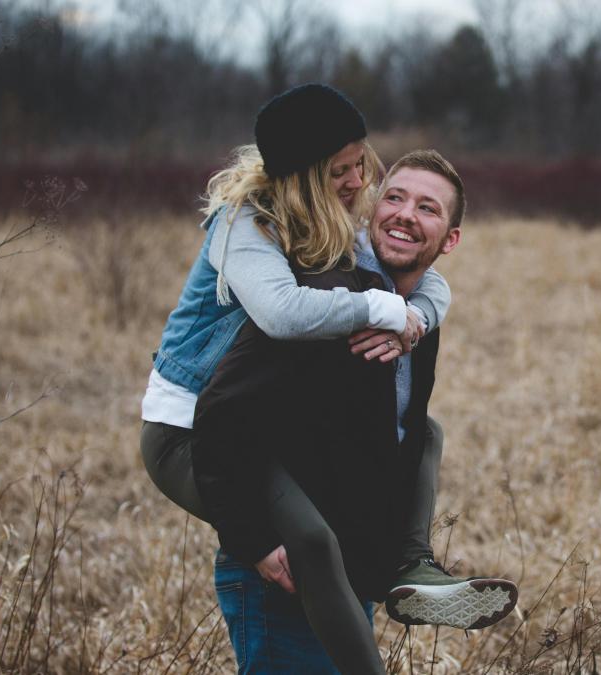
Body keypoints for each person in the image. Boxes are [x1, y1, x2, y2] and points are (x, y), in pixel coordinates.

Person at [137, 85, 478, 670]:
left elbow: (413, 276)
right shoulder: (245, 223)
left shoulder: (328, 228)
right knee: (311, 543)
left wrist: (416, 315)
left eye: (360, 164)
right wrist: (383, 312)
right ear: (303, 176)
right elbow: (282, 313)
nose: (357, 182)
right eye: (339, 171)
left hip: (245, 425)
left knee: (425, 432)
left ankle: (408, 565)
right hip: (190, 423)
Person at [195, 150, 517, 674]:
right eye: (394, 197)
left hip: (344, 572)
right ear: (371, 211)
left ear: (450, 239)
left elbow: (382, 442)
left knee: (426, 432)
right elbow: (219, 415)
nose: (406, 213)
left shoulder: (416, 313)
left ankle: (413, 565)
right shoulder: (326, 298)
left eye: (428, 208)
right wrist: (251, 540)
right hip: (281, 570)